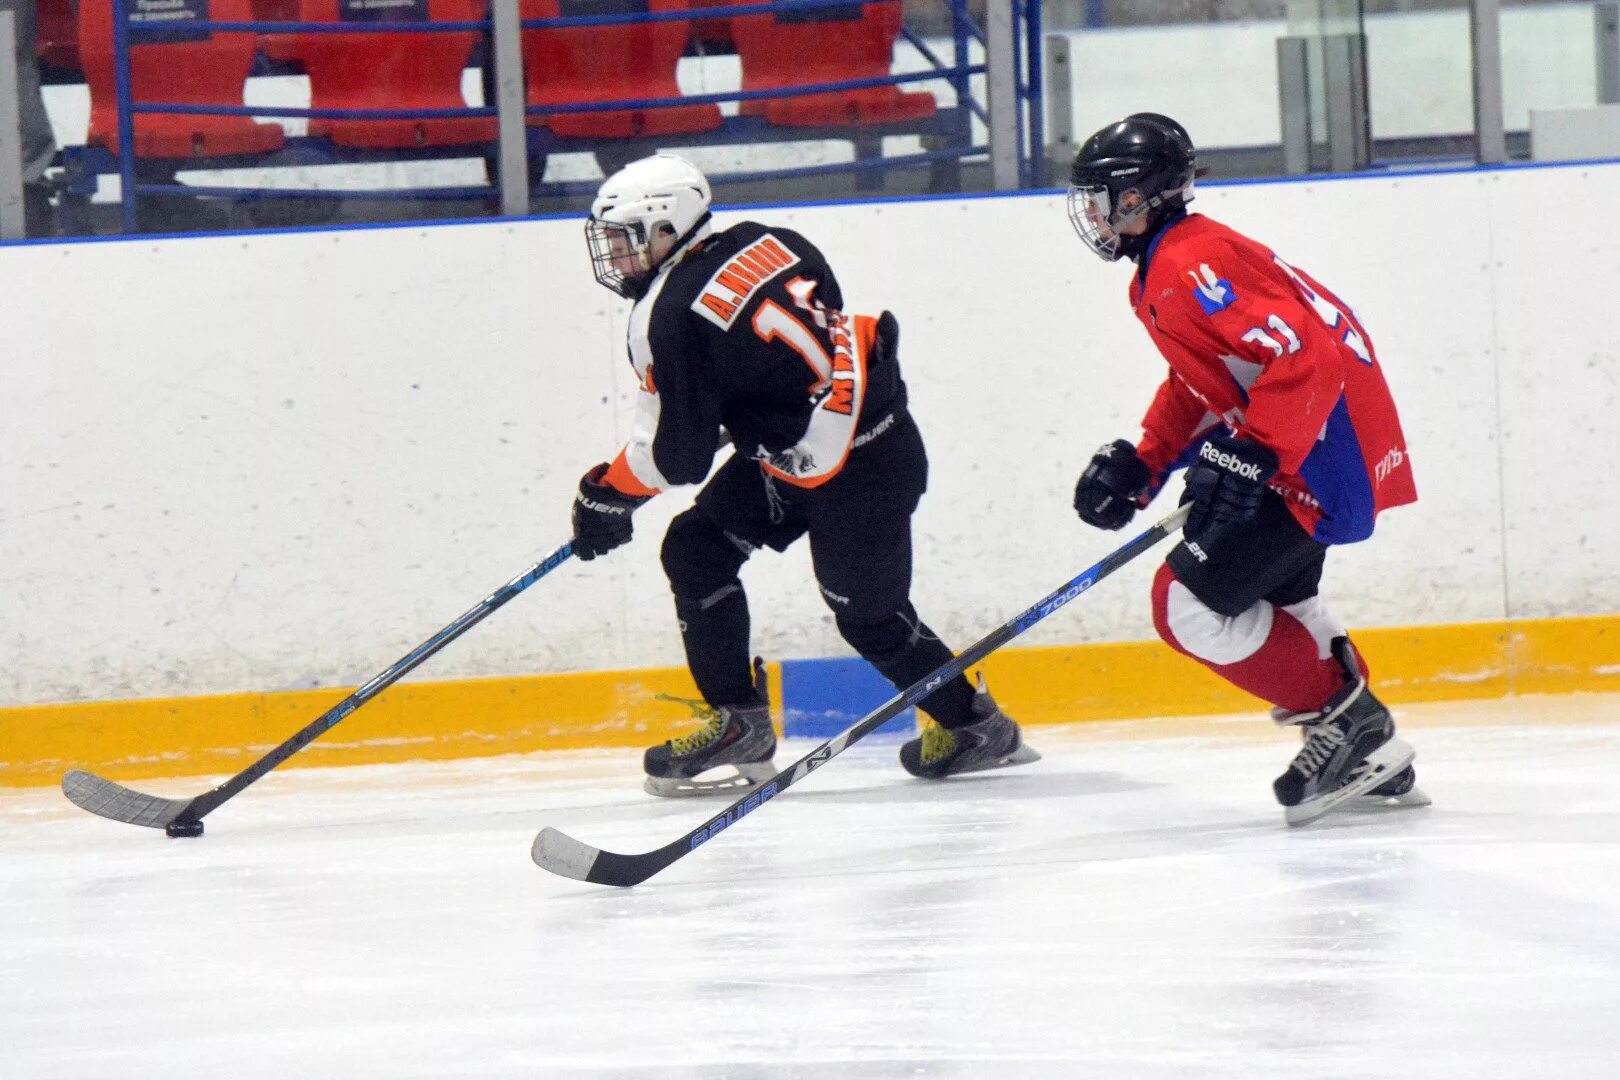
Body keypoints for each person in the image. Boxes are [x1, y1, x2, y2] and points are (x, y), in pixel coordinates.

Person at [569, 153, 1039, 796]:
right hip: (828, 448)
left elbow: (676, 455)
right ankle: (739, 723)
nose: (617, 259)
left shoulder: (665, 315)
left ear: (666, 226)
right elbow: (799, 350)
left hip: (863, 468)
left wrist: (605, 496)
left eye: (625, 240)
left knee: (869, 619)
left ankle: (974, 727)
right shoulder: (776, 241)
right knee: (696, 550)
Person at [1066, 114, 1427, 825]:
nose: (1093, 214)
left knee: (1185, 603)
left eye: (1102, 197)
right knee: (1279, 598)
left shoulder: (1188, 264)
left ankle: (1351, 724)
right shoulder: (1172, 262)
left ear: (1140, 197)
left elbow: (1305, 358)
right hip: (1315, 446)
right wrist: (1147, 462)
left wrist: (1256, 448)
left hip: (1320, 458)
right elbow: (1207, 381)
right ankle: (1370, 748)